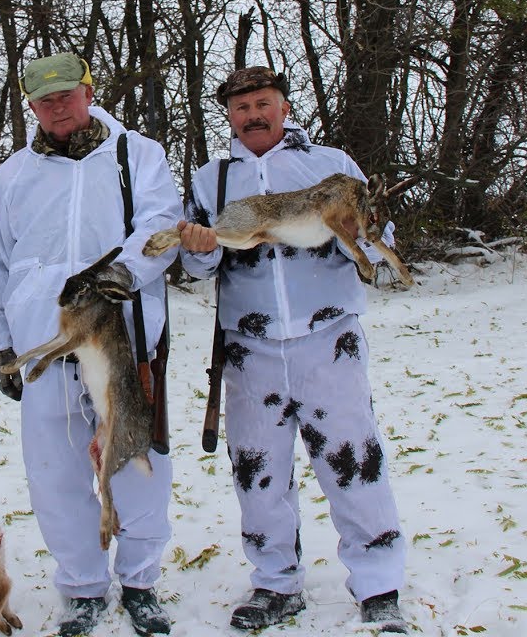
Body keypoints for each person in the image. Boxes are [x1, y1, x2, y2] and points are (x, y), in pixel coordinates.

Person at [174, 66, 410, 634]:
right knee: (258, 470)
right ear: (229, 116)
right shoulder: (212, 181)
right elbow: (198, 266)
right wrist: (200, 249)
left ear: (283, 107)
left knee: (353, 459)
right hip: (249, 347)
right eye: (241, 107)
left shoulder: (331, 166)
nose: (253, 115)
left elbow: (378, 234)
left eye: (263, 103)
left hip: (329, 337)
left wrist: (367, 242)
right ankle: (275, 583)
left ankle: (378, 585)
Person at [0, 52, 181, 637]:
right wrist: (2, 346)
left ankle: (140, 581)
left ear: (89, 92)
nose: (57, 107)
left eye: (67, 94)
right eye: (45, 100)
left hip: (122, 342)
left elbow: (162, 225)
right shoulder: (14, 174)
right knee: (54, 475)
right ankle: (83, 586)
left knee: (137, 464)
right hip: (44, 349)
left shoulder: (136, 155)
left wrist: (118, 275)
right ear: (31, 106)